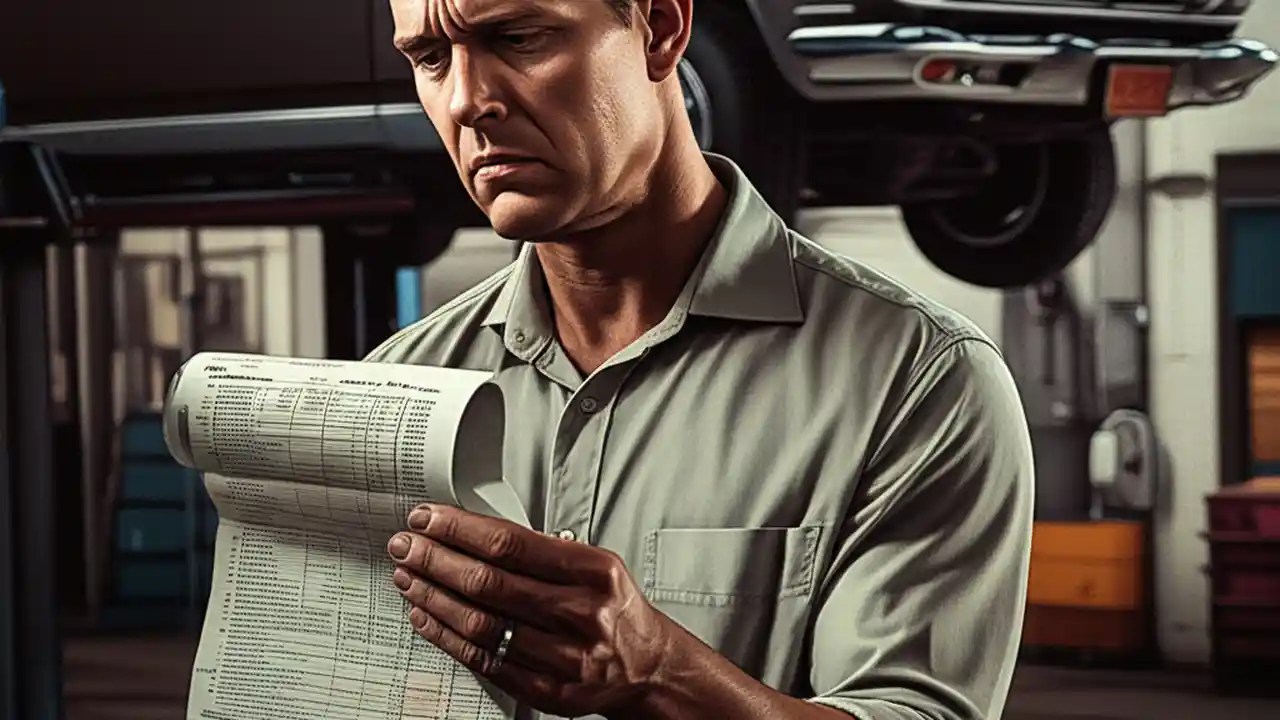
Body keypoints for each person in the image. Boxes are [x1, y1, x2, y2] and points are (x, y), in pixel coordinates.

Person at [371, 0, 1036, 718]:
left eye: (519, 37)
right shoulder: (398, 388)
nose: (469, 99)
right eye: (431, 58)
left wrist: (660, 672)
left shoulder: (918, 381)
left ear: (659, 29)